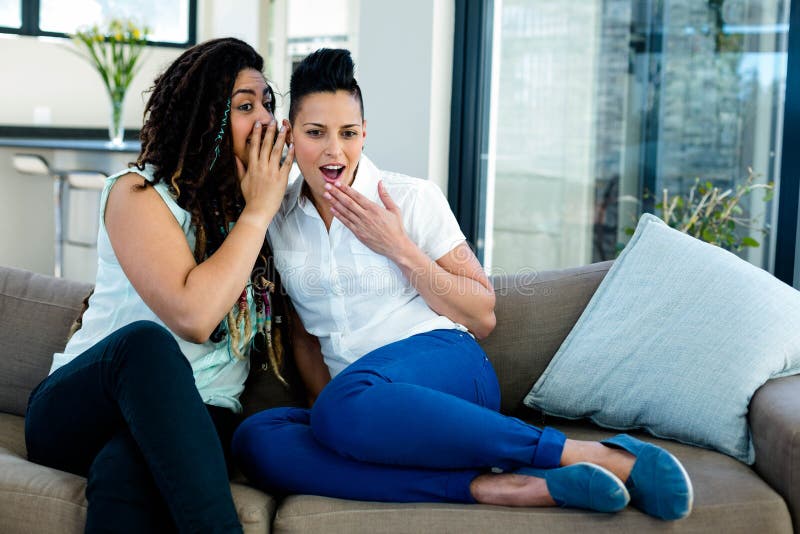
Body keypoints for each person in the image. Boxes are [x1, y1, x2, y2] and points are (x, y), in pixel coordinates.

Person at [232, 48, 693, 520]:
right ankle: (497, 488)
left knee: (340, 407)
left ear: (364, 134)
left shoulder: (412, 199)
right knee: (257, 438)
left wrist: (398, 247)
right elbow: (307, 335)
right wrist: (334, 423)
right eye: (316, 133)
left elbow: (482, 313)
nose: (335, 150)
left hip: (447, 368)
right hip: (362, 411)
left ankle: (594, 454)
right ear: (291, 134)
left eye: (348, 133)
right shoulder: (278, 218)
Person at [24, 37, 294, 533]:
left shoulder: (266, 216)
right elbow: (194, 316)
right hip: (82, 407)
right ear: (203, 117)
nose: (264, 120)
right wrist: (259, 211)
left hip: (199, 417)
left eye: (268, 105)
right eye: (244, 106)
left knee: (123, 471)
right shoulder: (138, 194)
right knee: (146, 346)